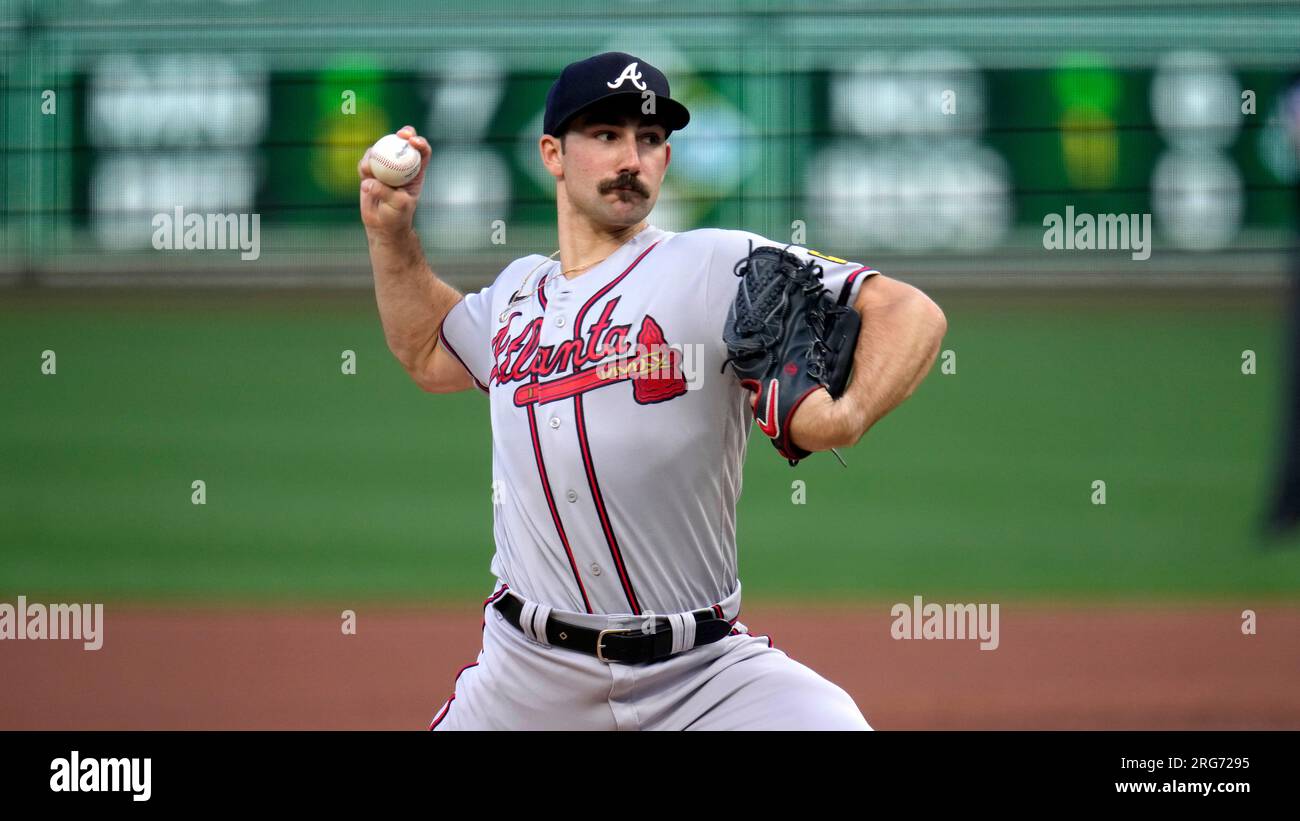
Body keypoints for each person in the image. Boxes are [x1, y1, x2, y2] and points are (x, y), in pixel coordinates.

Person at [358, 52, 947, 730]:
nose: (631, 158)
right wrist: (390, 234)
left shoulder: (715, 262)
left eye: (650, 139)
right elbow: (428, 347)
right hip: (526, 679)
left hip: (701, 673)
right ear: (553, 153)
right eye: (606, 135)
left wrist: (846, 415)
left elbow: (910, 311)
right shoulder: (519, 291)